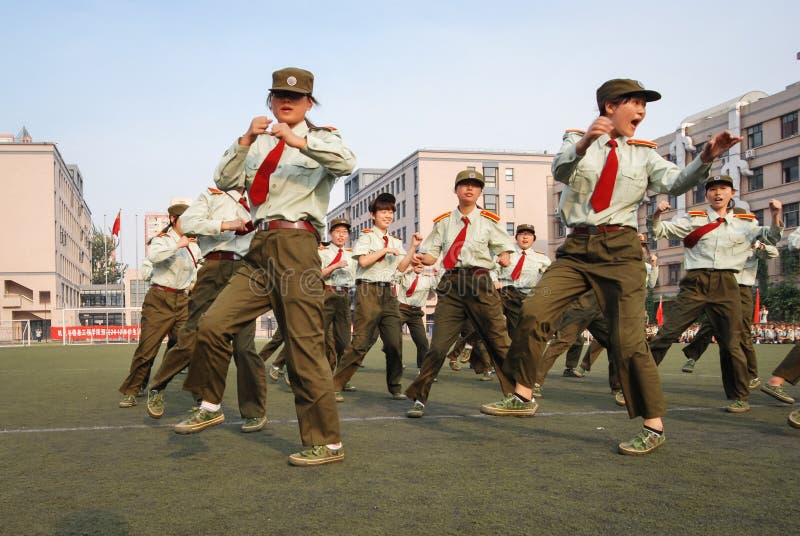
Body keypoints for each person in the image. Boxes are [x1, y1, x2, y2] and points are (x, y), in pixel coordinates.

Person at [481, 78, 741, 455]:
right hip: (577, 249)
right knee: (535, 312)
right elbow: (561, 171)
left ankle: (653, 425)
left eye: (644, 106)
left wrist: (705, 157)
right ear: (609, 107)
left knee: (628, 341)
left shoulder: (645, 154)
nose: (642, 112)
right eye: (635, 103)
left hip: (620, 251)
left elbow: (675, 181)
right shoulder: (576, 140)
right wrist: (586, 141)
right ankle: (522, 395)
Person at [175, 67, 355, 467]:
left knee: (304, 346)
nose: (285, 102)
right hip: (259, 246)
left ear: (310, 103)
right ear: (270, 101)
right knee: (212, 324)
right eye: (277, 96)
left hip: (297, 244)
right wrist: (245, 140)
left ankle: (326, 442)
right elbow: (223, 179)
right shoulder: (256, 145)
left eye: (295, 97)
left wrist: (299, 141)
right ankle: (209, 403)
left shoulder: (323, 137)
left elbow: (346, 164)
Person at [647, 177, 782, 413]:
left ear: (732, 193)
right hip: (695, 283)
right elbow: (660, 231)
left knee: (732, 342)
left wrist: (776, 215)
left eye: (723, 189)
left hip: (727, 283)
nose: (718, 193)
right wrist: (657, 214)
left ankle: (740, 396)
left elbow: (771, 239)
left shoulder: (746, 224)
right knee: (666, 334)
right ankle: (637, 383)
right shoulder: (694, 220)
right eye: (712, 190)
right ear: (706, 195)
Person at [142, 185, 268, 433]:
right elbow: (189, 223)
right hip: (214, 267)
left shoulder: (260, 201)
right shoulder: (211, 197)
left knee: (244, 347)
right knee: (191, 335)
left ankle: (254, 411)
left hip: (247, 272)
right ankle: (158, 387)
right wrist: (227, 224)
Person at [404, 169, 516, 418]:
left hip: (480, 283)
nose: (469, 189)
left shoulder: (489, 220)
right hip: (453, 285)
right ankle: (419, 398)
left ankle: (516, 395)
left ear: (479, 192)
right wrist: (421, 258)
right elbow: (433, 254)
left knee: (499, 341)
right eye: (464, 185)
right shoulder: (443, 222)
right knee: (438, 346)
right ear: (456, 189)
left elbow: (503, 248)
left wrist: (504, 256)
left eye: (475, 186)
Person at [331, 192, 422, 401]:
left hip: (389, 293)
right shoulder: (366, 236)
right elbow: (363, 262)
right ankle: (335, 385)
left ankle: (395, 386)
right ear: (373, 215)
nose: (388, 215)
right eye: (383, 211)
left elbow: (400, 267)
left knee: (394, 342)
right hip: (368, 291)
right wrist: (383, 250)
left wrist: (413, 248)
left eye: (390, 212)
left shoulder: (396, 241)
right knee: (361, 342)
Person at [118, 203, 200, 408]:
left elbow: (198, 268)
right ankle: (133, 389)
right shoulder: (161, 241)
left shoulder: (194, 245)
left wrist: (194, 282)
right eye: (185, 218)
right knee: (147, 349)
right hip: (159, 300)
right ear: (173, 219)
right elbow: (154, 257)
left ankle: (187, 393)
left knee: (187, 346)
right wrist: (177, 246)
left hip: (182, 301)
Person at [681, 235, 779, 387]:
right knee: (710, 323)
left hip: (742, 290)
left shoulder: (753, 246)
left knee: (744, 333)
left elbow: (774, 253)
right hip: (723, 288)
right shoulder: (726, 244)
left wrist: (760, 246)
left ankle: (752, 375)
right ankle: (693, 356)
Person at [492, 224, 551, 335]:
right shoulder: (506, 253)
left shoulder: (541, 258)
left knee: (517, 333)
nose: (525, 237)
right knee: (491, 324)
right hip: (502, 293)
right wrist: (494, 281)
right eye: (522, 234)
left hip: (523, 297)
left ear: (533, 238)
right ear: (516, 237)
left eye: (528, 234)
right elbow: (492, 269)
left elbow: (551, 276)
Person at [317, 217, 358, 371]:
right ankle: (319, 373)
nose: (341, 235)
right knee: (321, 338)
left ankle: (341, 376)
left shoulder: (351, 255)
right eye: (338, 232)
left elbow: (356, 276)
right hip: (327, 294)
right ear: (331, 233)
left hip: (344, 296)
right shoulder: (322, 252)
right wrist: (335, 266)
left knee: (344, 339)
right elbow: (317, 275)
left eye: (345, 232)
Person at [397, 264, 439, 371]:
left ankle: (423, 370)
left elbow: (439, 287)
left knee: (423, 342)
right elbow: (394, 277)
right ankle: (396, 364)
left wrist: (437, 275)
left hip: (416, 313)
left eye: (421, 265)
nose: (419, 267)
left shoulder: (428, 279)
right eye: (416, 265)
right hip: (402, 310)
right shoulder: (405, 275)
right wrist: (406, 271)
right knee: (394, 338)